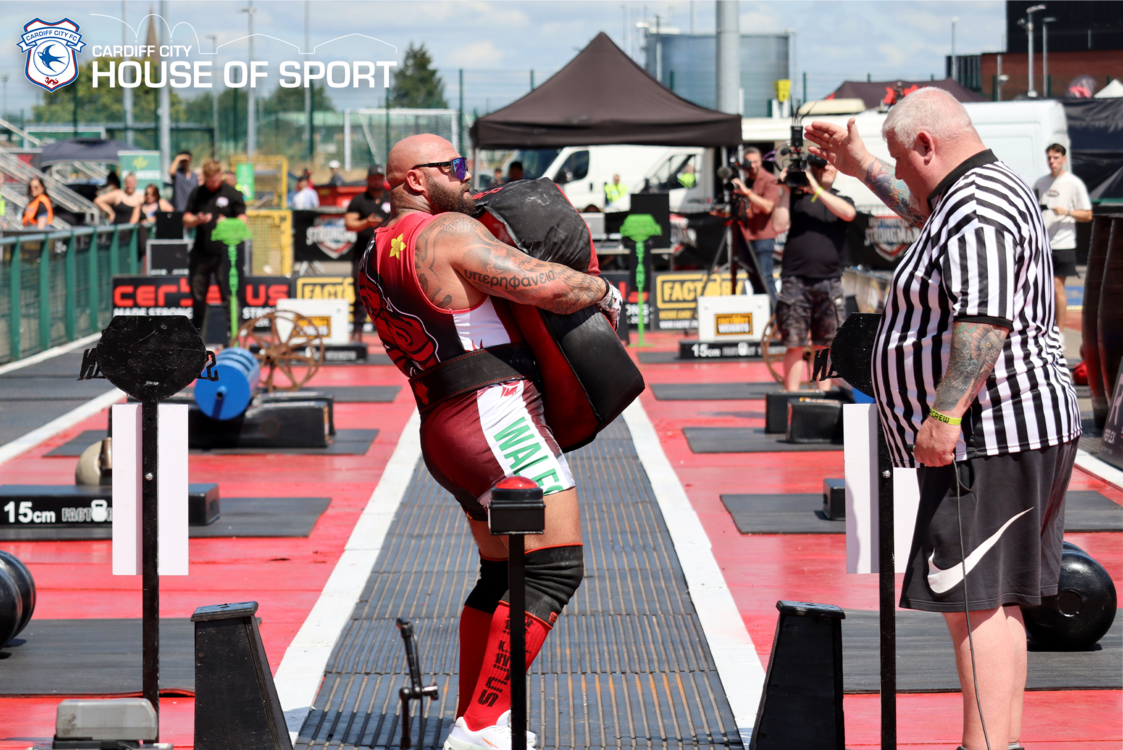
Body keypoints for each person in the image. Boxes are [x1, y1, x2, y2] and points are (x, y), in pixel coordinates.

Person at [806, 88, 1080, 750]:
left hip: (988, 433)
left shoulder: (978, 205)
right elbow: (917, 206)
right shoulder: (971, 192)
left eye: (903, 161)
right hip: (1010, 429)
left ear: (927, 144)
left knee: (971, 599)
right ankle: (996, 744)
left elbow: (982, 317)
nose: (899, 178)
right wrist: (862, 161)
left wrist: (943, 414)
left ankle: (981, 746)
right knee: (995, 599)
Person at [356, 134, 620, 750]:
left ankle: (479, 716)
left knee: (502, 573)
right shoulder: (444, 232)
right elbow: (545, 285)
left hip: (443, 426)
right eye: (452, 167)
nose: (464, 175)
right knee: (554, 569)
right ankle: (480, 725)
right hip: (495, 417)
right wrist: (603, 291)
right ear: (415, 180)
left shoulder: (372, 250)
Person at [770, 157, 856, 391]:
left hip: (829, 282)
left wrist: (816, 189)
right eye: (822, 164)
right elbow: (778, 226)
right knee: (794, 344)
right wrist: (786, 190)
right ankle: (792, 398)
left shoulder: (842, 199)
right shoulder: (796, 198)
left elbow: (848, 214)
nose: (827, 167)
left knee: (825, 345)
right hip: (795, 280)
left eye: (831, 164)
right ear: (812, 169)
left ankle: (823, 398)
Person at [182, 160, 248, 332]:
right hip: (201, 252)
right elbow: (186, 218)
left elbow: (243, 220)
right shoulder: (197, 192)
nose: (212, 184)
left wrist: (228, 223)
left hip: (225, 254)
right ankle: (197, 341)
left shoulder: (232, 193)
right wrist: (197, 219)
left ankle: (235, 338)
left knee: (230, 297)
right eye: (209, 181)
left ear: (221, 175)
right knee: (198, 298)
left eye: (215, 180)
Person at [1033, 143, 1092, 331]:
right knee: (1041, 289)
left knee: (1057, 285)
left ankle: (1059, 333)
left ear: (1064, 159)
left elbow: (1088, 214)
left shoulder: (1074, 183)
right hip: (1042, 244)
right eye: (1049, 158)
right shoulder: (1040, 183)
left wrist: (1066, 211)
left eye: (1056, 158)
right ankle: (1044, 328)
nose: (1052, 161)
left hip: (1064, 243)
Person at [345, 166, 390, 340]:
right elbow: (349, 224)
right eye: (374, 178)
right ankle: (357, 330)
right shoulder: (359, 200)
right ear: (368, 179)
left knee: (388, 293)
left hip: (385, 254)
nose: (377, 181)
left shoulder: (390, 198)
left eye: (380, 178)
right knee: (359, 292)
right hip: (362, 253)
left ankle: (391, 333)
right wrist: (366, 222)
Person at [732, 147, 781, 295]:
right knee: (753, 279)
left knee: (765, 277)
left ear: (761, 162)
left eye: (755, 162)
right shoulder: (745, 179)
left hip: (763, 237)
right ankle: (762, 315)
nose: (752, 166)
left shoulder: (769, 179)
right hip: (745, 236)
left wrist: (747, 192)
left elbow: (768, 207)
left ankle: (775, 315)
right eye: (749, 162)